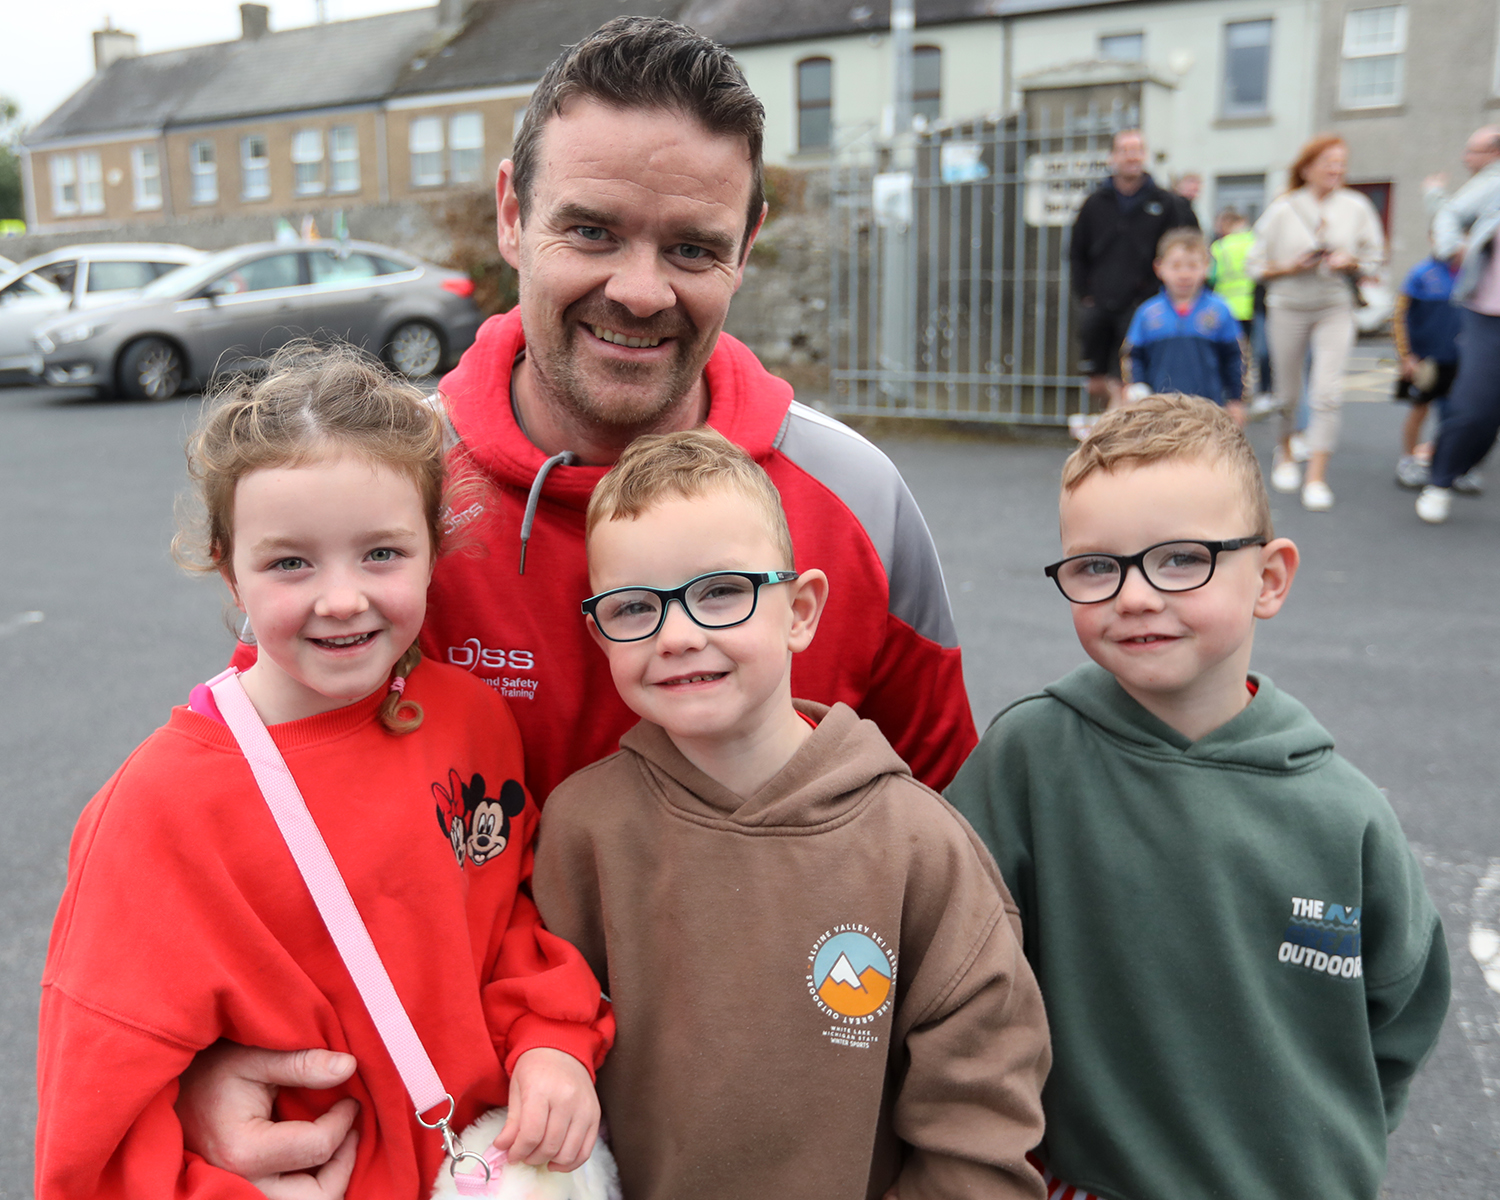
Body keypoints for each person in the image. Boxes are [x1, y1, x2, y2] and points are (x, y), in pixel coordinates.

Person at [179, 16, 979, 1192]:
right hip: (474, 1149)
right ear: (512, 212)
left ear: (750, 244)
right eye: (591, 230)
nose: (639, 289)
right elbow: (262, 816)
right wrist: (210, 1057)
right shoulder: (378, 513)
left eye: (694, 248)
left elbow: (957, 851)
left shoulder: (856, 501)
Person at [34, 348, 614, 1200]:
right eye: (290, 563)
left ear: (435, 549)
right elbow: (95, 1120)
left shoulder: (473, 722)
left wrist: (552, 1039)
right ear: (229, 568)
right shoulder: (155, 811)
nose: (341, 599)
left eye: (381, 553)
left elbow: (506, 921)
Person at [946, 394, 1451, 1200]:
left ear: (1270, 578)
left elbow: (1399, 1015)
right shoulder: (1032, 759)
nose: (1136, 595)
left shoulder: (1344, 815)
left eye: (1182, 558)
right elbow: (952, 961)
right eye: (1097, 566)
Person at [533, 428, 1051, 1200]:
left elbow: (980, 1117)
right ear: (600, 634)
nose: (679, 635)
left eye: (720, 593)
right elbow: (541, 1039)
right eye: (635, 607)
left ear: (801, 610)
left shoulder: (917, 845)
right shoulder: (583, 831)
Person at [1247, 135, 1385, 512]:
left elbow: (1374, 260)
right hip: (1288, 305)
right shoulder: (1283, 208)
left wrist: (1350, 262)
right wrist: (1292, 266)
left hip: (1335, 306)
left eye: (1341, 162)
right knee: (1288, 393)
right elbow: (1254, 266)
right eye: (1328, 161)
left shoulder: (1357, 207)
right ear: (1306, 167)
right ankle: (1286, 451)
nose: (1336, 169)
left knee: (1327, 392)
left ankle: (1316, 477)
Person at [1069, 129, 1199, 432]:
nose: (1132, 155)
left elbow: (1188, 241)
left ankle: (1112, 433)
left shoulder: (1166, 203)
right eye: (1125, 149)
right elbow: (1076, 252)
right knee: (1097, 380)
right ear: (1112, 157)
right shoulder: (1094, 204)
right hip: (1100, 301)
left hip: (1143, 303)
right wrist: (1085, 293)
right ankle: (1114, 422)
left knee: (1125, 377)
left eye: (1137, 149)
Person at [1417, 123, 1500, 524]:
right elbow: (1450, 212)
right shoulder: (1495, 182)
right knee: (1474, 406)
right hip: (1489, 312)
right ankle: (1440, 479)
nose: (1467, 158)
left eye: (1474, 150)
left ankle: (1465, 466)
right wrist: (1451, 248)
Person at [1125, 228, 1243, 421]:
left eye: (1192, 266)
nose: (1184, 274)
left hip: (1208, 409)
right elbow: (1133, 357)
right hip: (1159, 411)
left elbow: (1234, 359)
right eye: (1176, 266)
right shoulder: (1147, 313)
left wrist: (1236, 400)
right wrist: (1136, 387)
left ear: (1206, 267)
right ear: (1159, 268)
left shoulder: (1220, 311)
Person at [1392, 250, 1461, 488]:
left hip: (1460, 358)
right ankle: (1408, 460)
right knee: (1419, 410)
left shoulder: (1471, 272)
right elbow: (1400, 314)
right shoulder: (1421, 273)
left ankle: (1455, 465)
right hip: (1426, 359)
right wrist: (1406, 356)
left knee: (1458, 415)